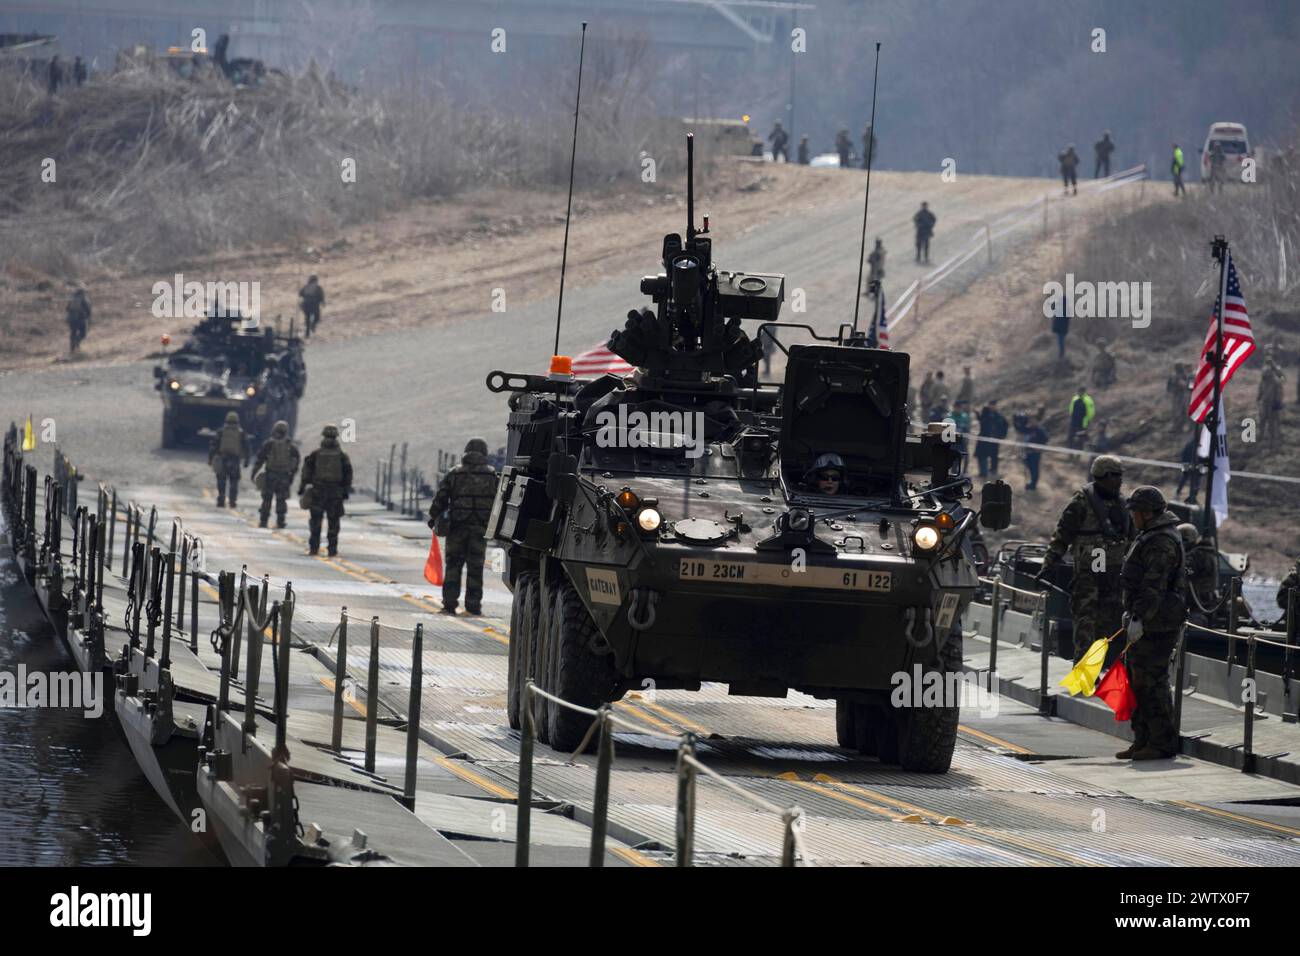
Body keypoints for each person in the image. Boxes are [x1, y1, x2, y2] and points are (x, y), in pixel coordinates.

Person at [1117, 485, 1187, 761]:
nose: (1132, 517)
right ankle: (1143, 738)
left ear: (1146, 513)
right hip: (1147, 619)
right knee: (1137, 680)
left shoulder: (1161, 541)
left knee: (1151, 681)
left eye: (1135, 512)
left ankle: (1161, 742)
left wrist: (1140, 618)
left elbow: (1153, 586)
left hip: (1157, 623)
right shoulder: (1150, 535)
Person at [1040, 455, 1134, 661]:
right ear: (1103, 475)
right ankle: (1083, 667)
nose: (1120, 480)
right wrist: (1049, 562)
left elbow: (1133, 538)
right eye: (1115, 475)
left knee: (1108, 623)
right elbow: (1062, 535)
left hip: (1114, 572)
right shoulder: (1081, 502)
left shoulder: (1123, 505)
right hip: (1089, 572)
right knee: (1086, 619)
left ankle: (1098, 665)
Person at [429, 438, 498, 615]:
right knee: (475, 568)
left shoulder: (455, 473)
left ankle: (450, 604)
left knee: (453, 566)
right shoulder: (491, 475)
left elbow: (441, 498)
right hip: (480, 528)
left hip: (456, 527)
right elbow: (499, 502)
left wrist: (433, 517)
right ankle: (473, 605)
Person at [299, 424, 352, 556]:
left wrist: (302, 487)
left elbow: (306, 472)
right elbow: (348, 475)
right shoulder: (342, 456)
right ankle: (332, 549)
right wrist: (345, 491)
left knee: (316, 521)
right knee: (333, 523)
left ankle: (314, 548)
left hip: (318, 491)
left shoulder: (316, 454)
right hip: (335, 493)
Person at [250, 420, 299, 529]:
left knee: (267, 499)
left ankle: (263, 521)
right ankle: (281, 521)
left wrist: (254, 473)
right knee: (281, 500)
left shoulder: (269, 444)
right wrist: (291, 476)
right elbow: (296, 463)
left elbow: (260, 459)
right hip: (284, 477)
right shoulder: (291, 446)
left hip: (270, 475)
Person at [208, 411, 250, 508]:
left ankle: (221, 500)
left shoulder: (221, 431)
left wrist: (211, 459)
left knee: (221, 481)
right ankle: (232, 501)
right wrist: (246, 460)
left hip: (223, 459)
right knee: (234, 482)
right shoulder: (241, 432)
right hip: (235, 460)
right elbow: (247, 447)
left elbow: (213, 446)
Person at [1180, 522, 1218, 625]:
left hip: (1199, 605)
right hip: (1203, 603)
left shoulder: (1198, 555)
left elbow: (1188, 571)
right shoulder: (1204, 552)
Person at [975, 399, 1008, 477]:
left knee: (994, 456)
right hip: (984, 439)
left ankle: (993, 470)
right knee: (983, 455)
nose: (992, 406)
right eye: (991, 404)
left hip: (994, 439)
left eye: (994, 405)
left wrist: (1003, 435)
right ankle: (983, 472)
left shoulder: (999, 415)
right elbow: (981, 420)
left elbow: (1005, 425)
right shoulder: (985, 413)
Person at [1257, 360, 1283, 452]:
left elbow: (1279, 394)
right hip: (1264, 403)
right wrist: (1258, 398)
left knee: (1272, 424)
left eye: (1267, 374)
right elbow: (1260, 390)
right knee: (1262, 421)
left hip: (1272, 405)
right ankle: (1261, 437)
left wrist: (1277, 404)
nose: (1265, 376)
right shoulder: (1263, 380)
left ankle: (1272, 443)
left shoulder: (1276, 381)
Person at [1021, 414, 1048, 490]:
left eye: (1034, 420)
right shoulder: (1027, 429)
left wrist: (1040, 447)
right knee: (1028, 466)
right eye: (1031, 420)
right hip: (1027, 452)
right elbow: (1021, 430)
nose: (1032, 422)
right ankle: (1030, 482)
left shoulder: (1040, 430)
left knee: (1034, 469)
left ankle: (1033, 485)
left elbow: (1046, 439)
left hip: (1035, 453)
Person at [1067, 384, 1095, 449]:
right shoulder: (1075, 398)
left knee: (1080, 439)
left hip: (1082, 423)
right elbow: (1071, 408)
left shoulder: (1088, 400)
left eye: (1081, 391)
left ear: (1083, 392)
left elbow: (1091, 413)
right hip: (1074, 422)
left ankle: (1079, 454)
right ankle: (1070, 453)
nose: (1079, 393)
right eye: (1078, 391)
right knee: (1070, 437)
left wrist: (1087, 421)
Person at [65, 289, 91, 353]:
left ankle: (72, 349)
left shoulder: (72, 299)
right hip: (81, 319)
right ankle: (77, 342)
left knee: (73, 333)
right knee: (83, 333)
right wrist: (88, 317)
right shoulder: (84, 299)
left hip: (71, 320)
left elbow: (67, 308)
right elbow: (88, 309)